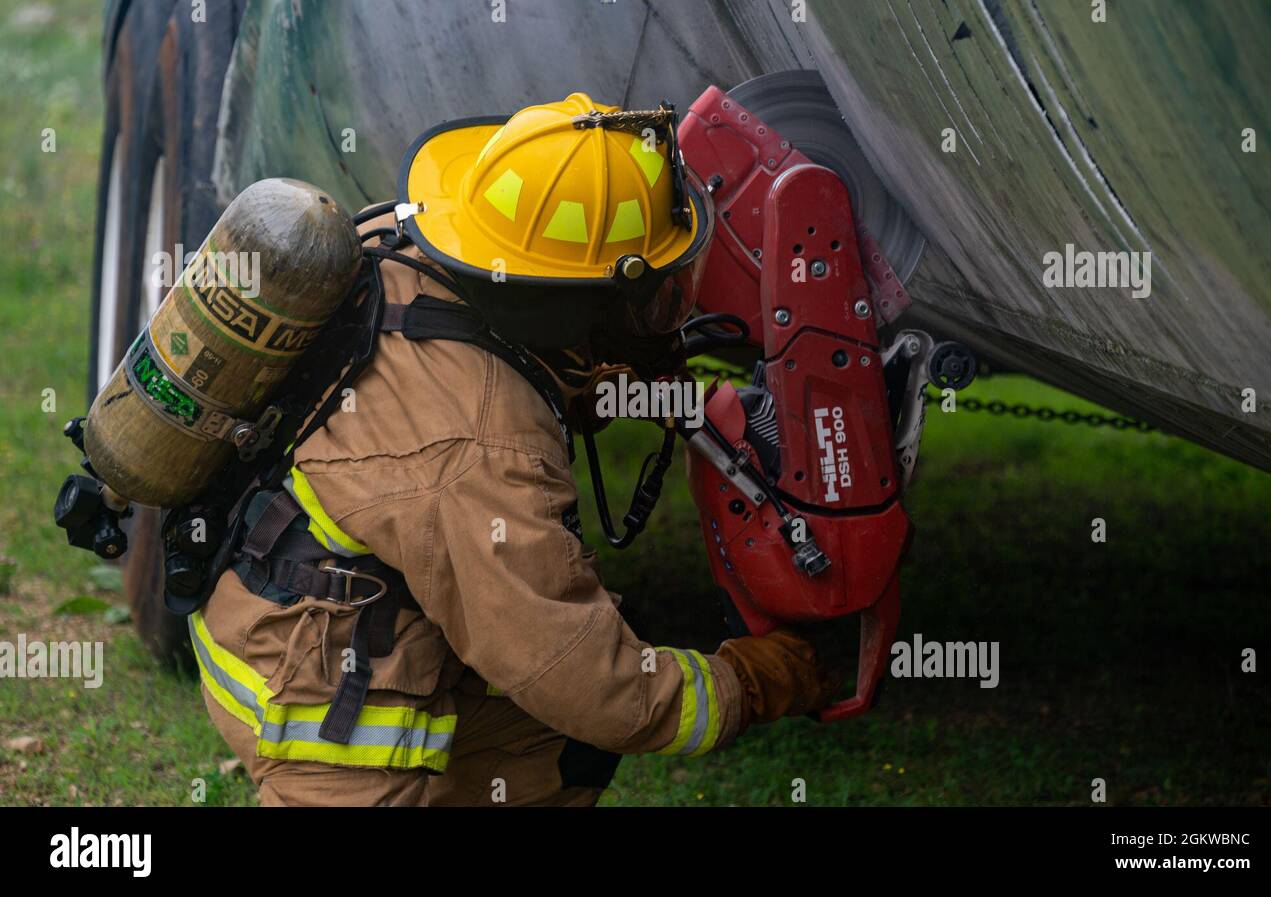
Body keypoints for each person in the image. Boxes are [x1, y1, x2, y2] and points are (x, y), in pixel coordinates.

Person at [190, 92, 839, 806]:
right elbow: (596, 683)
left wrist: (594, 381)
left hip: (267, 595)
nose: (660, 306)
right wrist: (752, 680)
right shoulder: (483, 453)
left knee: (554, 735)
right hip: (311, 696)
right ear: (569, 304)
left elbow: (427, 388)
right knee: (575, 682)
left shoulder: (407, 243)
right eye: (646, 289)